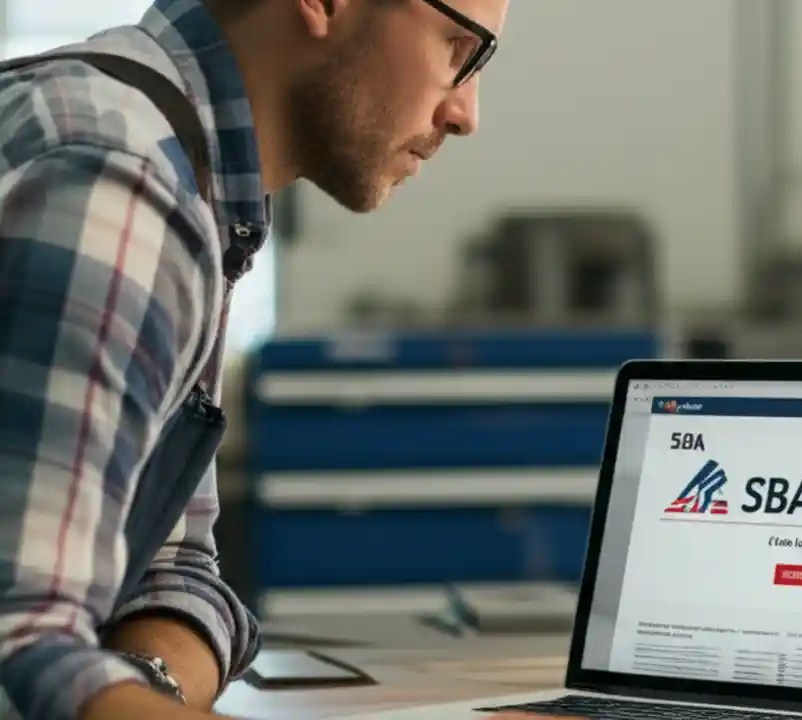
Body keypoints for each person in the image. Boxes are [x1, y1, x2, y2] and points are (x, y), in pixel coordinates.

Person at [0, 1, 520, 718]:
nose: (467, 113)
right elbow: (22, 667)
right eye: (459, 45)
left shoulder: (185, 176)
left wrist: (145, 687)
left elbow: (174, 572)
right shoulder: (119, 185)